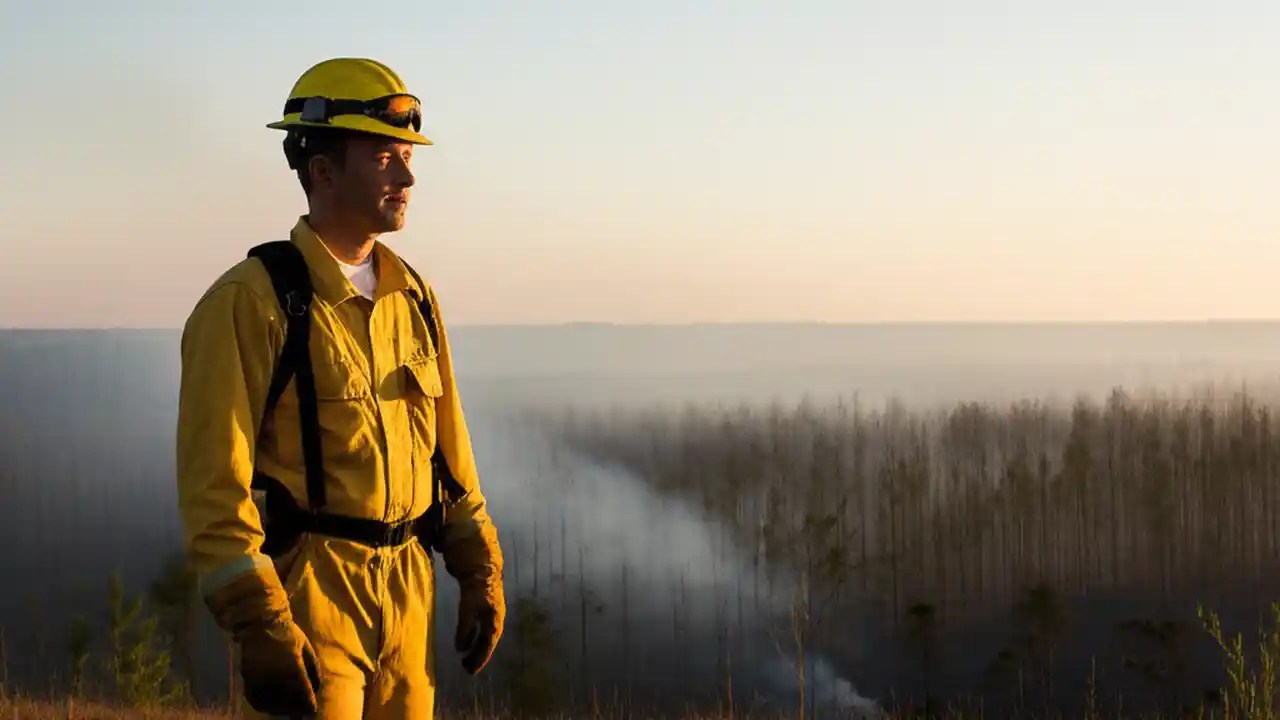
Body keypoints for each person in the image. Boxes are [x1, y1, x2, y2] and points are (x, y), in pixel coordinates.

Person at [175, 57, 505, 719]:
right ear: (323, 170)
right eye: (385, 157)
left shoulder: (414, 298)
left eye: (408, 156)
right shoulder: (253, 301)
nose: (408, 176)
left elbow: (450, 454)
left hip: (409, 603)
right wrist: (258, 620)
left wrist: (478, 562)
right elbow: (215, 487)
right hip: (311, 599)